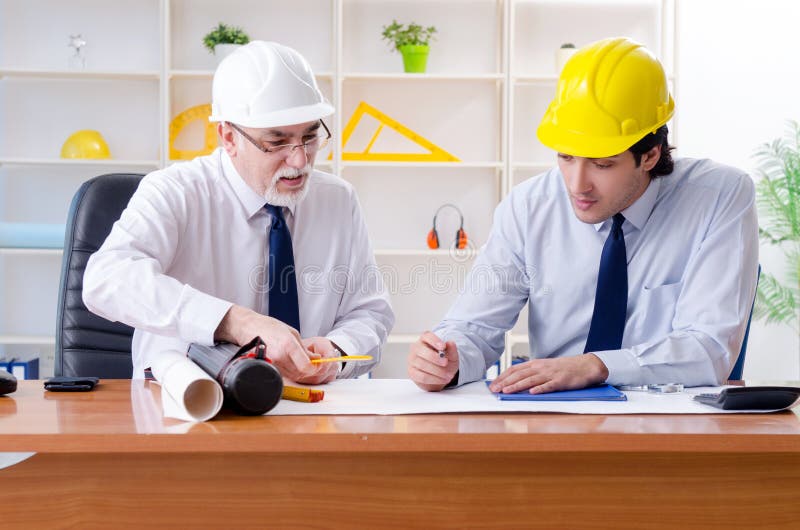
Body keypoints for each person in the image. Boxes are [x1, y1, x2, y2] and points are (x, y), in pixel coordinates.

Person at [407, 37, 759, 394]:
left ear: (650, 155)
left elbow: (709, 349)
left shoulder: (720, 196)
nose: (577, 185)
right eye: (566, 157)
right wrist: (448, 358)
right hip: (554, 415)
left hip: (670, 417)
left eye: (602, 164)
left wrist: (595, 366)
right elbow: (473, 327)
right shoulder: (529, 206)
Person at [83, 41, 394, 383]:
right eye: (276, 142)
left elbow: (370, 311)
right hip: (193, 409)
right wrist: (233, 321)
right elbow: (106, 279)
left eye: (310, 136)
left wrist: (337, 352)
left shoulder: (338, 200)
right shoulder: (175, 191)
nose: (300, 160)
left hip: (311, 410)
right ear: (228, 136)